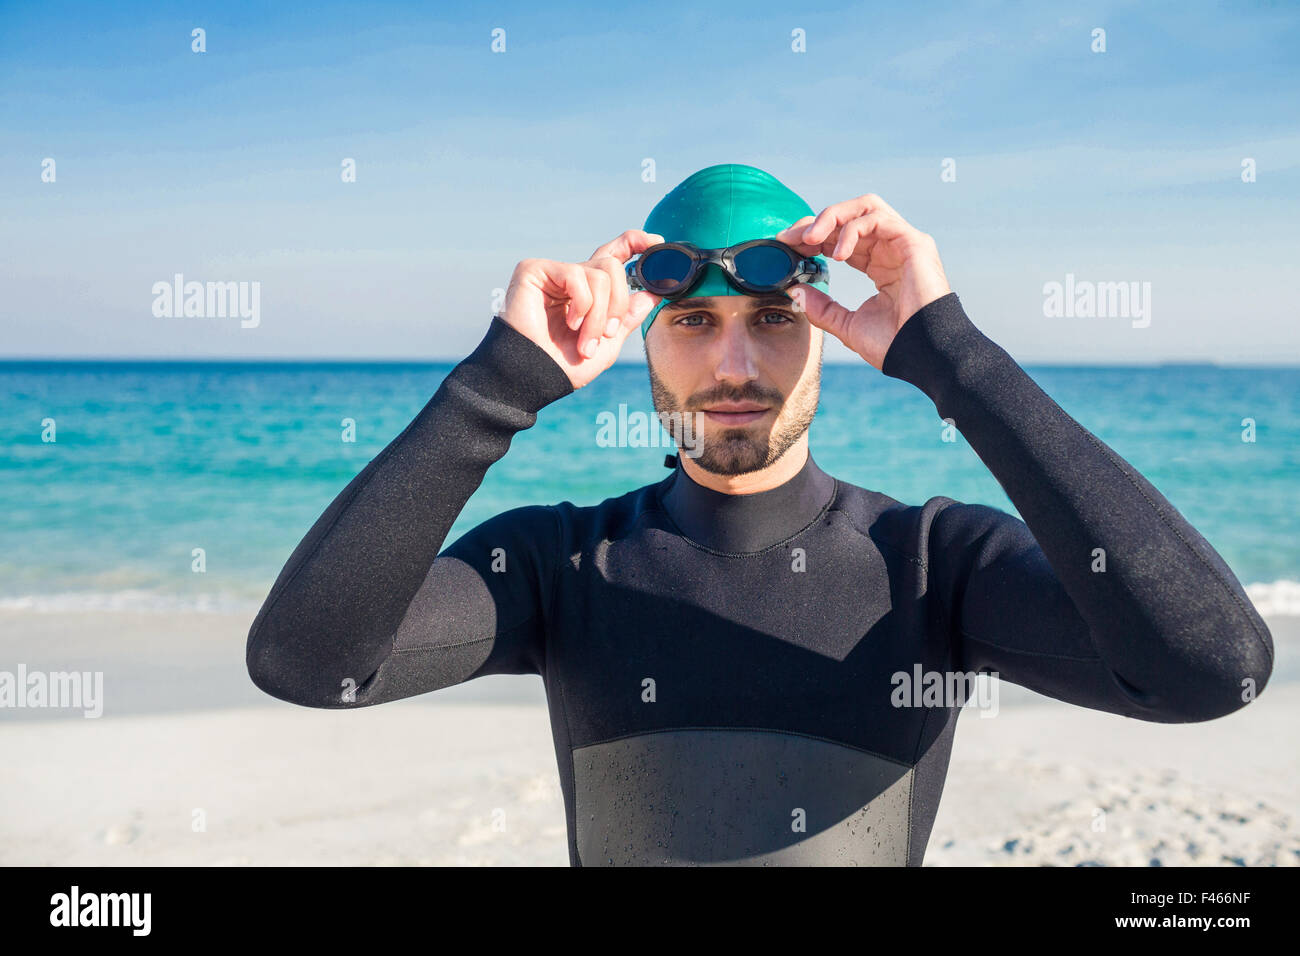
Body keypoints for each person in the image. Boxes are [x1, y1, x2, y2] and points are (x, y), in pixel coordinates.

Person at [245, 163, 1274, 866]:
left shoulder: (934, 565)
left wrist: (952, 353)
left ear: (826, 331)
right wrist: (495, 384)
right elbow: (307, 658)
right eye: (692, 320)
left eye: (773, 320)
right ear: (641, 339)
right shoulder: (560, 564)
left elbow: (1210, 663)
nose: (734, 366)